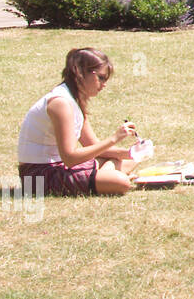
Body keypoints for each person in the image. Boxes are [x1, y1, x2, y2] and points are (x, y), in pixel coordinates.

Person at [17, 48, 140, 197]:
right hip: (38, 175)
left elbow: (92, 146)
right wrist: (114, 138)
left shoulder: (74, 100)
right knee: (122, 183)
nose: (104, 84)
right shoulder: (60, 103)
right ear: (80, 73)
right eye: (100, 78)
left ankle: (105, 175)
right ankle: (107, 176)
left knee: (131, 161)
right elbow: (69, 158)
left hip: (57, 167)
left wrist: (132, 153)